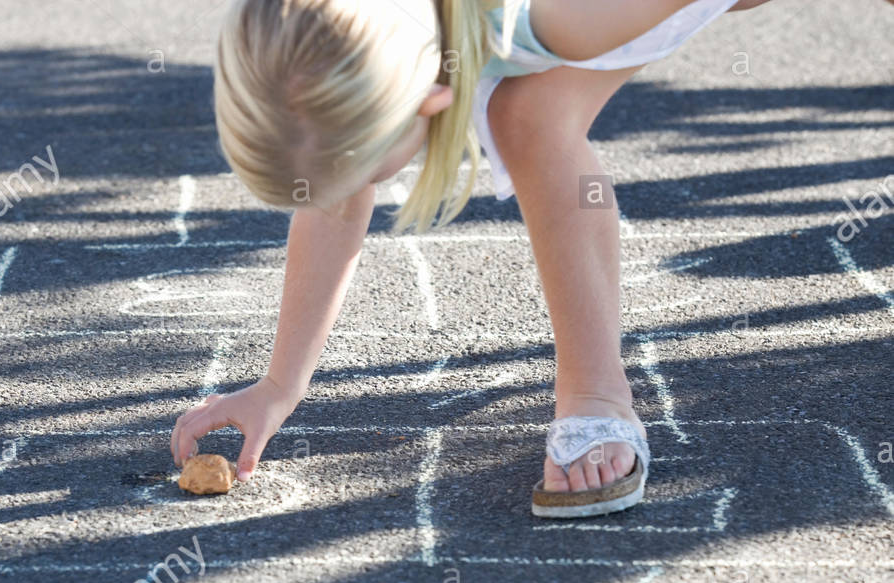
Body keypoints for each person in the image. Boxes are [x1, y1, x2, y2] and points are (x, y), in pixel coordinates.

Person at [170, 0, 784, 517]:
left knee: (529, 117)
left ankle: (597, 392)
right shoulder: (331, 36)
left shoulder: (562, 15)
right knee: (525, 112)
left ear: (433, 101)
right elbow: (332, 192)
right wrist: (280, 385)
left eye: (371, 171)